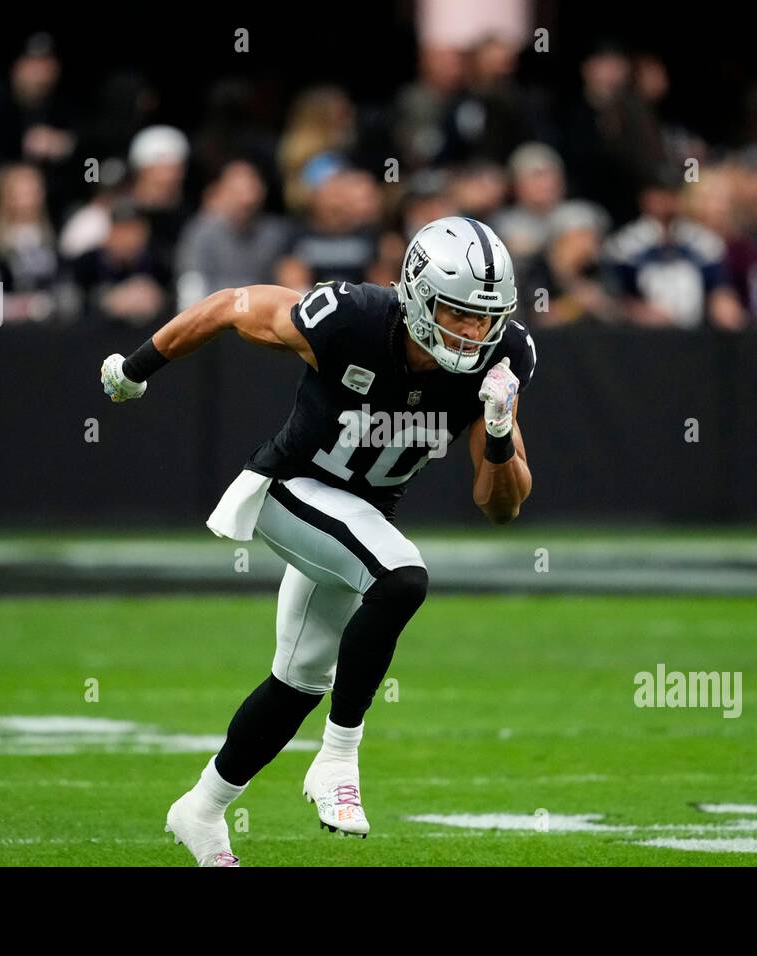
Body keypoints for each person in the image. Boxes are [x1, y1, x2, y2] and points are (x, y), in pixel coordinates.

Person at [99, 216, 536, 866]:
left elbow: (501, 507)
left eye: (485, 318)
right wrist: (135, 369)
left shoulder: (498, 365)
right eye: (458, 313)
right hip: (287, 490)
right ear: (417, 295)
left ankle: (201, 808)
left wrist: (498, 431)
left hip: (354, 519)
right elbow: (229, 306)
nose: (472, 333)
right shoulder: (351, 319)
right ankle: (337, 759)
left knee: (298, 680)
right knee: (402, 577)